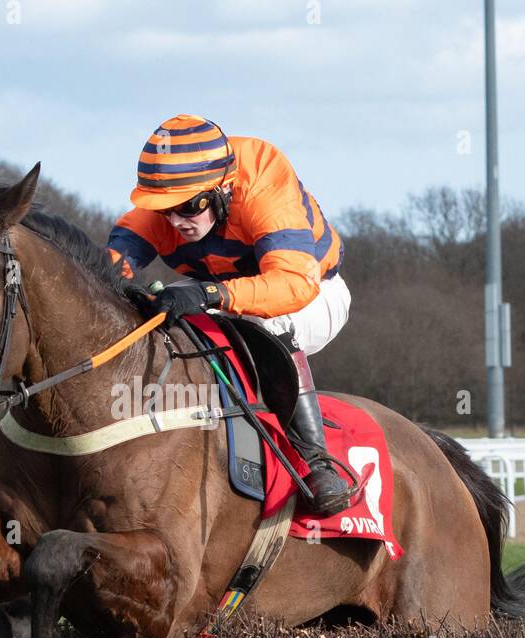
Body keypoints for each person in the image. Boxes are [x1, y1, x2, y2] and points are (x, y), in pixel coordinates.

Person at [107, 114, 353, 515]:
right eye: (164, 210)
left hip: (310, 292)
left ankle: (317, 463)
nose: (175, 222)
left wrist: (210, 293)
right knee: (156, 311)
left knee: (266, 325)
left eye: (187, 209)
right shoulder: (174, 194)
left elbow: (293, 284)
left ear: (221, 189)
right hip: (226, 293)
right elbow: (111, 264)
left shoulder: (263, 180)